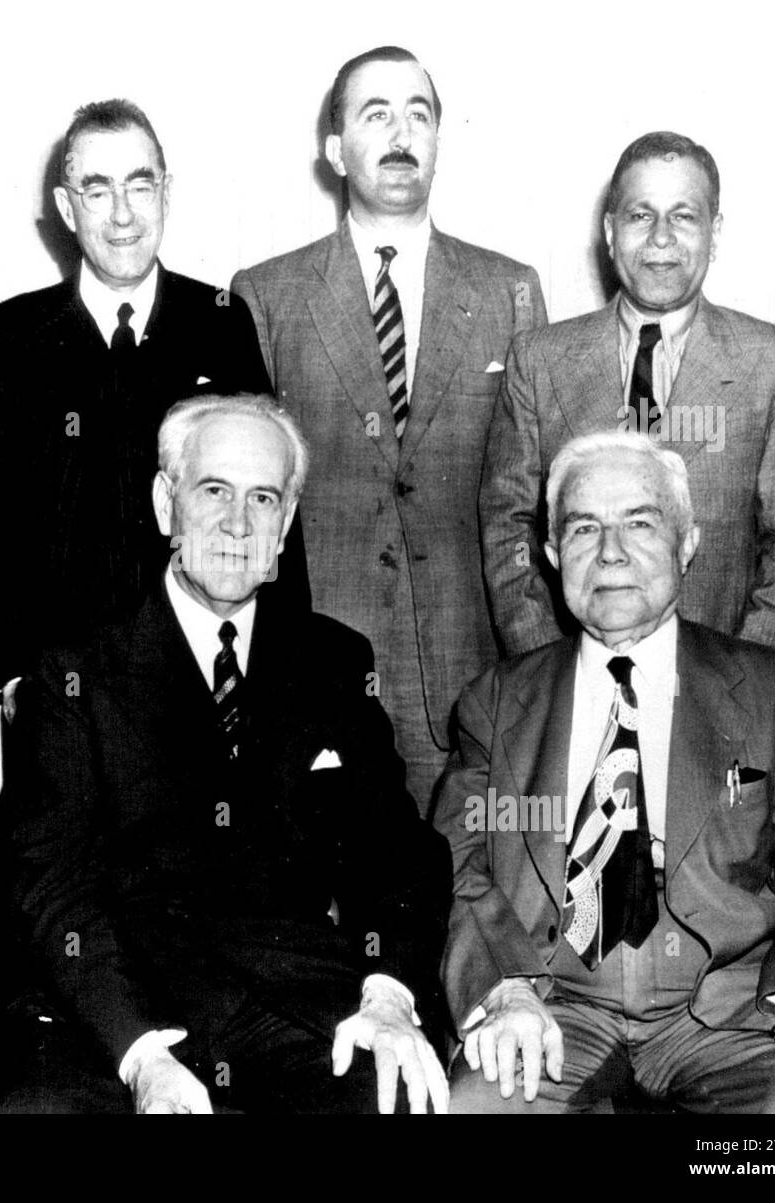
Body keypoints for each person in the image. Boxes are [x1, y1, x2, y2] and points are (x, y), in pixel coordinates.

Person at [11, 394, 451, 1113]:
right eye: (213, 490)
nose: (238, 523)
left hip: (298, 1003)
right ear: (166, 503)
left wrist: (387, 992)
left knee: (399, 1095)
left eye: (264, 498)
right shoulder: (74, 675)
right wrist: (143, 1056)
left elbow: (400, 851)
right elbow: (50, 888)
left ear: (285, 524)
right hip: (120, 1007)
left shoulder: (334, 661)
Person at [436, 430, 775, 1113]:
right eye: (584, 527)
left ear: (687, 543)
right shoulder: (495, 702)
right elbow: (458, 871)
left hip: (736, 1016)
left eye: (639, 522)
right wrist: (504, 988)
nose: (610, 551)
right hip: (552, 1008)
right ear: (552, 556)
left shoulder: (772, 688)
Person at [233, 46, 546, 812]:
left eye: (418, 114)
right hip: (323, 673)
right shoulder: (266, 296)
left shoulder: (508, 291)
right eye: (375, 114)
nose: (400, 132)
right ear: (335, 149)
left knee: (476, 904)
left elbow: (535, 496)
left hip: (477, 666)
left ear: (439, 140)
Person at [0, 99, 304, 706]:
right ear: (66, 207)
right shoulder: (4, 339)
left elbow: (272, 515)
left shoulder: (219, 323)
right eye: (97, 190)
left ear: (167, 192)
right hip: (56, 685)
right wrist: (7, 679)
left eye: (140, 186)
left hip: (190, 678)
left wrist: (279, 672)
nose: (122, 215)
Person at [482, 131, 775, 658]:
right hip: (571, 681)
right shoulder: (538, 359)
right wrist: (551, 677)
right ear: (610, 232)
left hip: (718, 695)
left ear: (715, 233)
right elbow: (508, 536)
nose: (661, 237)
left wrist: (739, 689)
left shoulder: (772, 363)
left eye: (683, 216)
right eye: (641, 215)